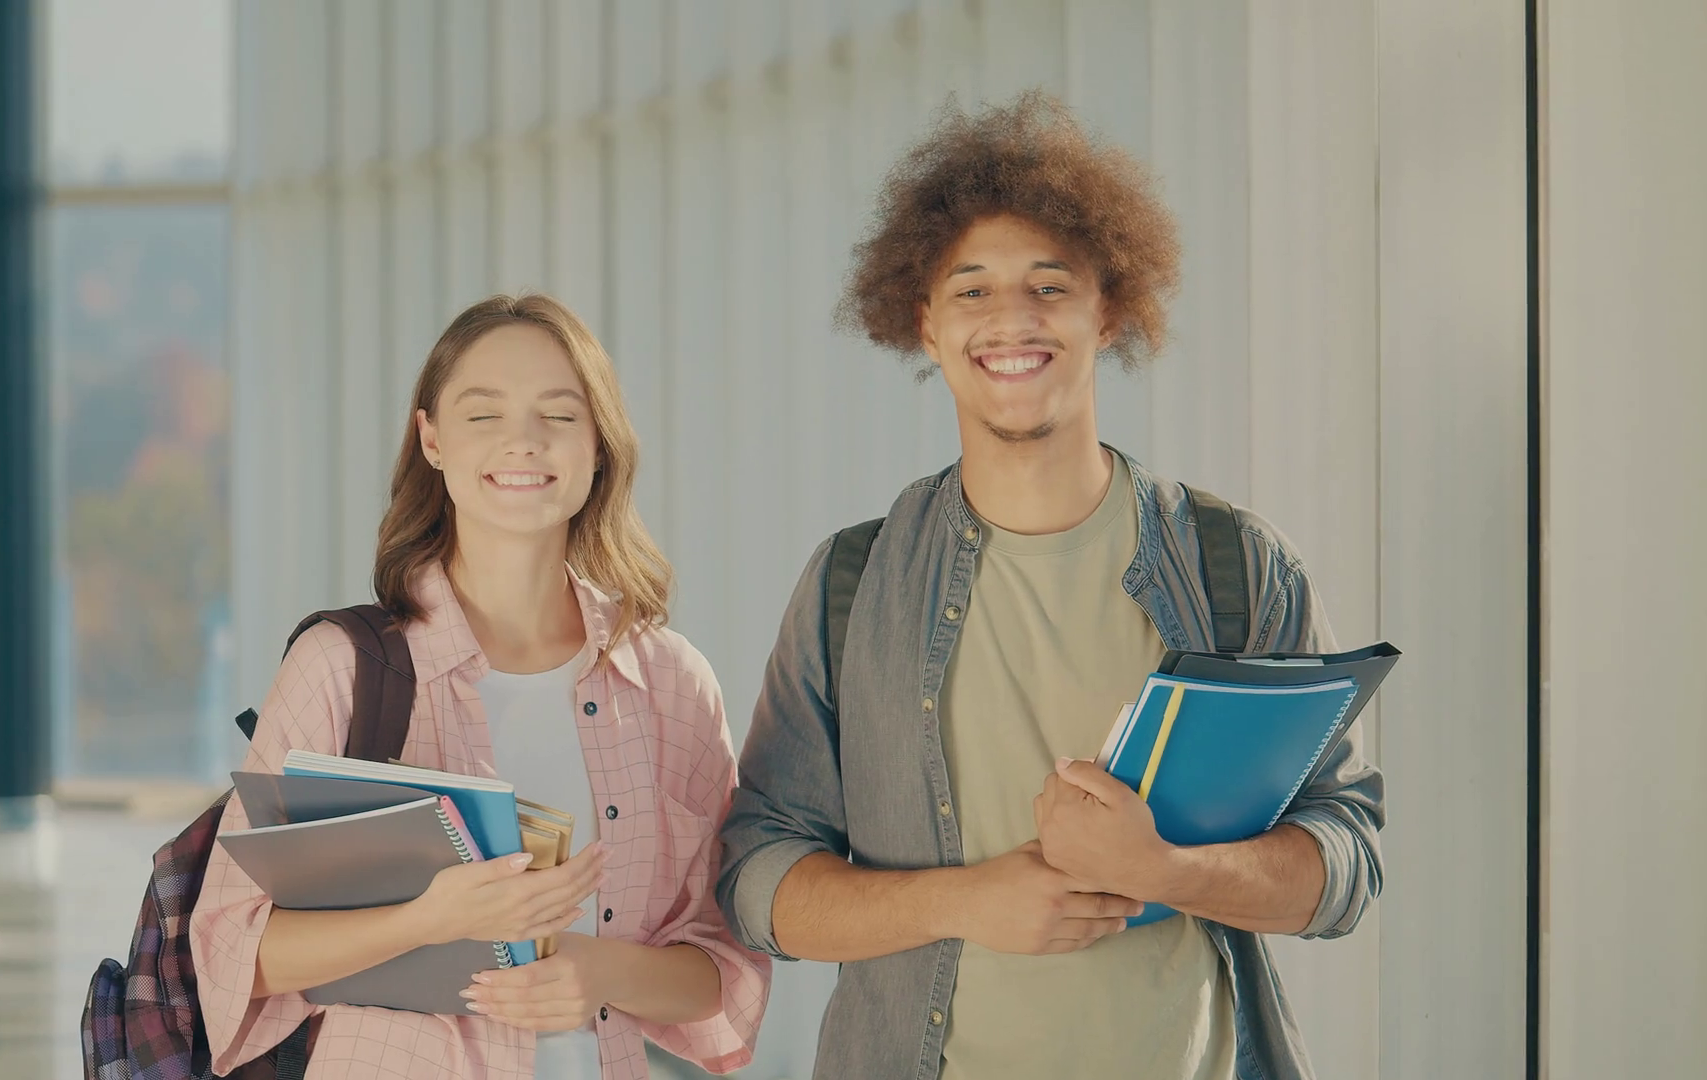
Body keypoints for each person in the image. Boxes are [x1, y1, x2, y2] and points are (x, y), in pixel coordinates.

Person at [716, 91, 1384, 1080]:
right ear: (926, 324)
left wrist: (1163, 872)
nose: (1012, 320)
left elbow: (1345, 861)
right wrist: (963, 899)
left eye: (1051, 286)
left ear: (1108, 309)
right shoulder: (852, 586)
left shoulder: (1237, 567)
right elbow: (756, 876)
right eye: (972, 289)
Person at [193, 293, 770, 1079]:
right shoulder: (340, 667)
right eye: (483, 414)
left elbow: (724, 968)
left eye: (559, 415)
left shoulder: (671, 684)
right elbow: (233, 950)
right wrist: (430, 919)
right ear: (431, 438)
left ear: (599, 444)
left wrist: (598, 971)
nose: (523, 442)